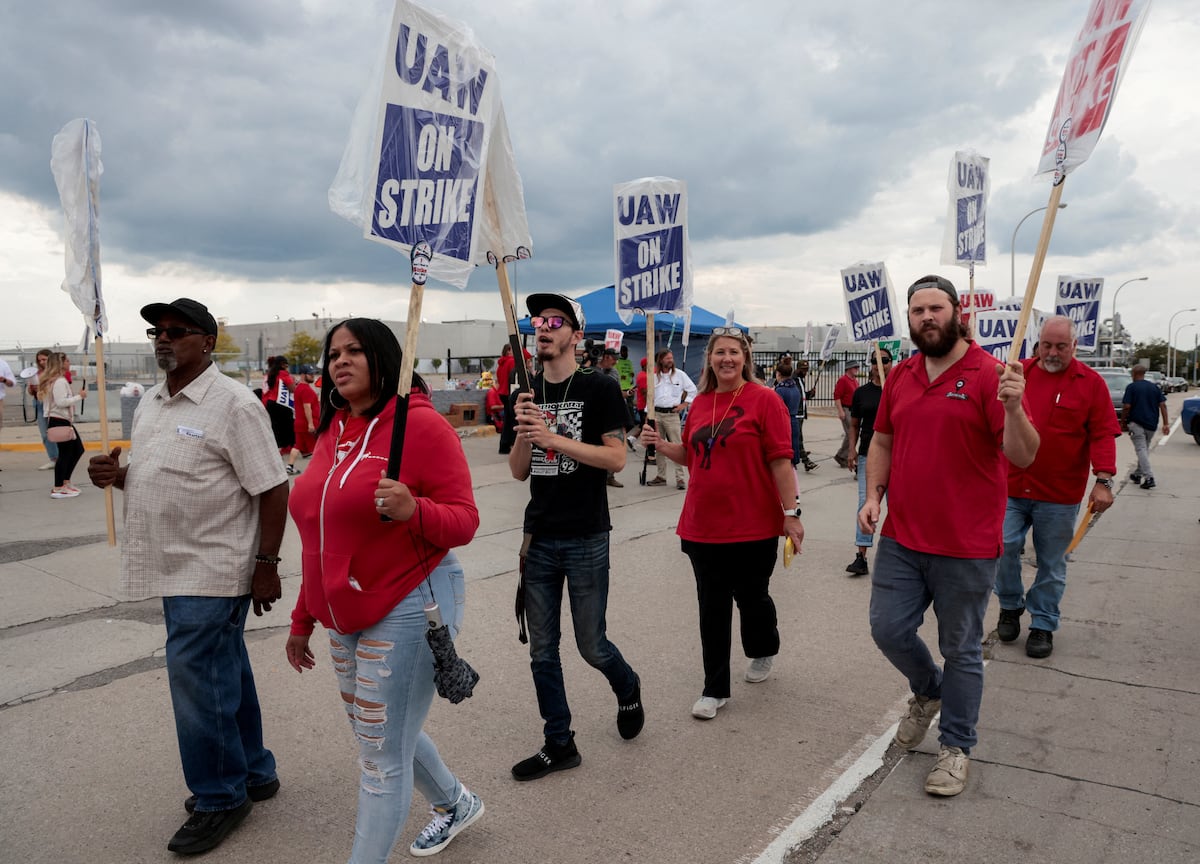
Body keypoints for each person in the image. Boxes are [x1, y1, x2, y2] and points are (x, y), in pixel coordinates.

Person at [87, 297, 289, 855]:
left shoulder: (233, 404)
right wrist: (116, 476)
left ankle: (219, 797)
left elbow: (272, 486)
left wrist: (267, 566)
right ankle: (253, 772)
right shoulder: (153, 403)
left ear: (206, 340)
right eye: (156, 330)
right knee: (226, 673)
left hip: (214, 567)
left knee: (198, 686)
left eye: (177, 331)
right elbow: (164, 478)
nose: (163, 339)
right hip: (171, 565)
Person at [285, 318, 485, 861]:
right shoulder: (334, 429)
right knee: (379, 734)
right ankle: (456, 803)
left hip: (410, 600)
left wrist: (412, 508)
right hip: (343, 609)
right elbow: (318, 533)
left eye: (355, 351)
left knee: (380, 754)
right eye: (333, 354)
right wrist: (303, 618)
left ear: (384, 359)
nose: (340, 361)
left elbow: (465, 520)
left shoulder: (419, 427)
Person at [858, 275, 1039, 798]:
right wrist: (873, 496)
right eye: (917, 311)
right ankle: (929, 691)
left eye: (936, 308)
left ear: (958, 312)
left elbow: (1023, 455)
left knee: (960, 647)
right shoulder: (903, 373)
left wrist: (1012, 408)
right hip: (903, 536)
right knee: (887, 629)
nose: (927, 318)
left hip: (966, 544)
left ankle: (956, 747)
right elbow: (883, 441)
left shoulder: (989, 374)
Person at [509, 292, 644, 780]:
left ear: (574, 334)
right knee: (541, 649)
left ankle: (627, 686)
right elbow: (518, 471)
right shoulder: (523, 394)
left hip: (587, 536)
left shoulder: (599, 387)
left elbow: (617, 458)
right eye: (537, 321)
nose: (542, 327)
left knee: (592, 645)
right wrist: (528, 434)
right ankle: (558, 741)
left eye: (554, 320)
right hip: (539, 537)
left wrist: (555, 439)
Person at [643, 326, 805, 720]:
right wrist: (663, 446)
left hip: (754, 524)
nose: (727, 359)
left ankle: (763, 648)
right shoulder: (698, 404)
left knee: (752, 599)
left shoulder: (765, 401)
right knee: (711, 606)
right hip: (702, 526)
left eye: (734, 352)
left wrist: (791, 513)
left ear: (745, 358)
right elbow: (694, 454)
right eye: (720, 353)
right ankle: (714, 689)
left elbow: (781, 461)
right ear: (710, 359)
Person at [994, 316, 1119, 659]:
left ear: (1074, 346)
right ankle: (1009, 605)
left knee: (1052, 562)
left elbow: (1103, 434)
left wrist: (1104, 480)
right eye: (1047, 344)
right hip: (1012, 486)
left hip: (1059, 495)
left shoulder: (1090, 383)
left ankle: (1043, 624)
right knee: (1001, 547)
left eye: (1061, 346)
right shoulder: (1018, 376)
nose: (1052, 352)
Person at [845, 348, 890, 576]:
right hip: (867, 455)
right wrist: (851, 449)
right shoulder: (861, 393)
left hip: (898, 456)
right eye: (875, 361)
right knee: (866, 502)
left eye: (884, 360)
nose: (879, 364)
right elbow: (854, 424)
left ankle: (900, 556)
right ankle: (861, 555)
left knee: (900, 505)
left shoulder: (898, 389)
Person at [38, 351, 85, 499]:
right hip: (60, 420)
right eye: (66, 361)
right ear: (60, 363)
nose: (69, 363)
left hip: (61, 419)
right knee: (67, 453)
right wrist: (79, 396)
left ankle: (65, 482)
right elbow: (61, 402)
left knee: (76, 450)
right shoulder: (59, 381)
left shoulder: (56, 380)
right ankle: (59, 487)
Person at [647, 348, 697, 489]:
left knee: (677, 445)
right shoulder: (654, 376)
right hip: (656, 414)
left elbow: (693, 389)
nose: (670, 360)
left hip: (672, 414)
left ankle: (680, 478)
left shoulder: (679, 375)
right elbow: (650, 396)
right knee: (658, 445)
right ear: (661, 360)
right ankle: (661, 476)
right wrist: (647, 414)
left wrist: (684, 404)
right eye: (667, 358)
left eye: (671, 357)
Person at [1121, 365, 1170, 490]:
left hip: (1136, 423)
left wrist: (1123, 422)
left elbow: (1127, 406)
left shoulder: (1131, 387)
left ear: (1134, 373)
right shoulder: (1154, 387)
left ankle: (1149, 478)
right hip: (1151, 424)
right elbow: (1163, 405)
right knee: (1144, 449)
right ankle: (1137, 474)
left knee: (1141, 449)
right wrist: (1165, 423)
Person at [772, 358, 802, 505]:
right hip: (795, 421)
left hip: (784, 423)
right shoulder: (795, 388)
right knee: (792, 460)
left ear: (778, 373)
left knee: (784, 460)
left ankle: (790, 491)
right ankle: (796, 492)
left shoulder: (780, 390)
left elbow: (775, 409)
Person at [599, 347, 626, 488]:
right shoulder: (594, 370)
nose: (615, 362)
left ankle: (610, 476)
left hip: (609, 413)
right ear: (606, 357)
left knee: (612, 447)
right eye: (613, 359)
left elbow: (617, 390)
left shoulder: (614, 372)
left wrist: (625, 394)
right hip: (596, 412)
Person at [285, 365, 320, 475]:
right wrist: (310, 424)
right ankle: (317, 471)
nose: (313, 376)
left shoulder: (298, 388)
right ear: (303, 375)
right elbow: (307, 407)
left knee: (298, 446)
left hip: (299, 423)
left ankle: (290, 466)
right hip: (308, 423)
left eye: (313, 374)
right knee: (318, 447)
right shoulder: (306, 390)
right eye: (310, 374)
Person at [29, 349, 59, 470]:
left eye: (44, 359)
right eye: (39, 360)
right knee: (45, 434)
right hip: (40, 403)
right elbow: (31, 391)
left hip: (52, 403)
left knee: (57, 432)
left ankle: (63, 457)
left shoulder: (56, 372)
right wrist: (32, 389)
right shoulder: (36, 374)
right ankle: (54, 458)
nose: (41, 362)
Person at [262, 354, 296, 455]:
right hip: (282, 404)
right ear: (282, 365)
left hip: (270, 403)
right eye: (286, 365)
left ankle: (276, 447)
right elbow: (292, 388)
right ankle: (288, 446)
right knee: (288, 425)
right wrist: (294, 381)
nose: (287, 367)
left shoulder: (271, 373)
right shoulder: (284, 374)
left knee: (275, 427)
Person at [833, 359, 861, 468]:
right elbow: (837, 396)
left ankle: (843, 455)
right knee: (851, 433)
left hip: (853, 410)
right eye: (855, 367)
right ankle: (842, 455)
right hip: (846, 409)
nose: (857, 369)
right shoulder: (843, 380)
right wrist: (840, 411)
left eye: (857, 367)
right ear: (849, 369)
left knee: (853, 433)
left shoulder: (854, 380)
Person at [794, 359, 818, 471]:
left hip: (801, 413)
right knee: (798, 438)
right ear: (798, 369)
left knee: (797, 438)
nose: (805, 372)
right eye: (803, 370)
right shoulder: (793, 380)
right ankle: (805, 460)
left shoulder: (801, 380)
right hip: (795, 414)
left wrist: (809, 394)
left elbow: (802, 396)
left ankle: (799, 453)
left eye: (806, 370)